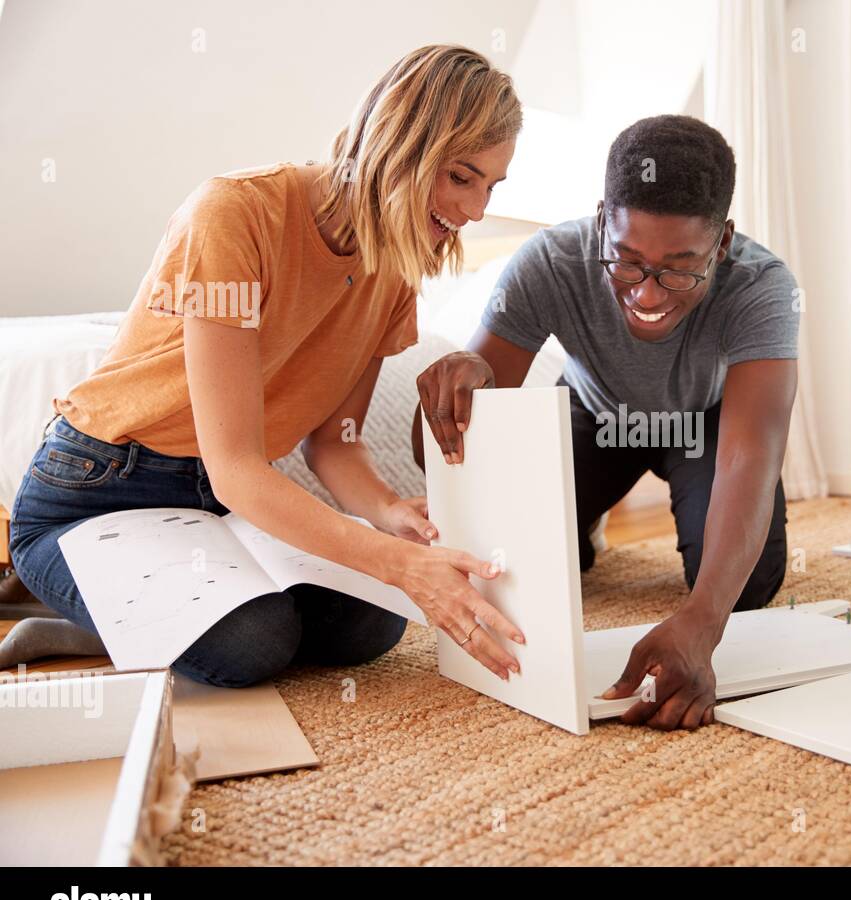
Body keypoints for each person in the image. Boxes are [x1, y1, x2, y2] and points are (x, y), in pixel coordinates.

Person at [8, 45, 528, 686]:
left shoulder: (394, 264)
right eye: (460, 176)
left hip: (217, 507)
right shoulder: (234, 213)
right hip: (102, 490)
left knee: (370, 624)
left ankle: (127, 611)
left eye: (490, 186)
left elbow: (336, 444)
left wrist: (390, 513)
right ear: (401, 144)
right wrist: (395, 562)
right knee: (254, 644)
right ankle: (77, 608)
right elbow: (235, 469)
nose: (475, 210)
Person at [412, 115, 799, 731]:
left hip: (704, 426)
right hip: (595, 414)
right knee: (531, 562)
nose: (648, 295)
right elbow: (444, 448)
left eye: (679, 269)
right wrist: (450, 386)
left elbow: (749, 456)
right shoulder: (550, 261)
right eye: (626, 261)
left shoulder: (764, 286)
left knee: (743, 592)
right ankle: (580, 529)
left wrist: (702, 624)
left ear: (722, 244)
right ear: (600, 223)